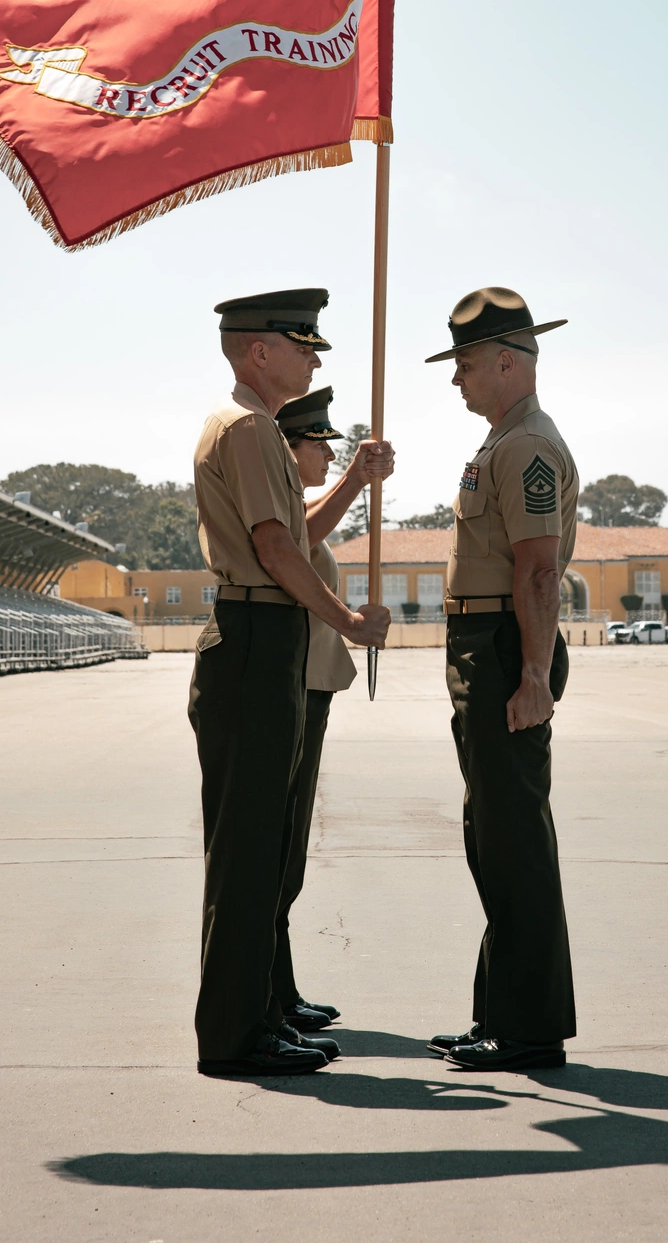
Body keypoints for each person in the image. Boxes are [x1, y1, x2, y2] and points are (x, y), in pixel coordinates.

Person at [189, 288, 391, 1078]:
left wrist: (351, 489)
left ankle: (260, 1016)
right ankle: (238, 1034)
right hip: (255, 636)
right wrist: (345, 620)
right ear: (257, 351)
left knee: (264, 848)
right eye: (302, 344)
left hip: (261, 638)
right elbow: (276, 548)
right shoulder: (246, 429)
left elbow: (289, 534)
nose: (314, 356)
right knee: (249, 853)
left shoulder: (254, 428)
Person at [423, 286, 579, 1073]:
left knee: (512, 839)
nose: (456, 379)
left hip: (503, 647)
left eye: (467, 362)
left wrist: (532, 674)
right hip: (485, 645)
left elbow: (539, 571)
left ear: (509, 362)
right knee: (494, 836)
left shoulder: (526, 448)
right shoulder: (503, 441)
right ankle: (503, 1017)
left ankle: (529, 1030)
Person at [273, 386, 396, 1034]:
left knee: (289, 852)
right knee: (278, 848)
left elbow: (314, 516)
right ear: (288, 450)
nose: (326, 452)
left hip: (312, 687)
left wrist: (352, 480)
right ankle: (272, 993)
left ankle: (281, 989)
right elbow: (302, 533)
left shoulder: (297, 500)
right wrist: (357, 477)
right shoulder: (282, 507)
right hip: (293, 687)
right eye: (316, 443)